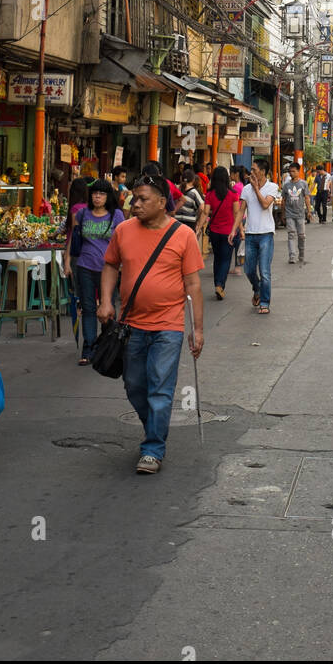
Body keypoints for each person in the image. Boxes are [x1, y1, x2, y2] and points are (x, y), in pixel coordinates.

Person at [99, 174, 204, 475]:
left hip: (168, 326)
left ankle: (153, 448)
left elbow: (193, 285)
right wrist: (105, 301)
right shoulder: (123, 231)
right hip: (131, 324)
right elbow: (110, 265)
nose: (136, 204)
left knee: (160, 387)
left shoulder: (182, 235)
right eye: (134, 197)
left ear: (162, 202)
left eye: (143, 199)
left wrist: (197, 330)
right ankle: (153, 429)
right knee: (134, 386)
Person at [68, 180, 124, 365]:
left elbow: (124, 241)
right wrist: (67, 261)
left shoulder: (116, 216)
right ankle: (88, 348)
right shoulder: (83, 214)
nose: (97, 197)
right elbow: (73, 239)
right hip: (84, 266)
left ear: (108, 197)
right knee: (89, 308)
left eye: (101, 194)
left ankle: (108, 346)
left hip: (109, 269)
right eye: (94, 193)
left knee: (108, 309)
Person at [231, 159, 279, 314]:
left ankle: (265, 302)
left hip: (266, 234)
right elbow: (241, 210)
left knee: (265, 271)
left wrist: (256, 188)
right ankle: (257, 289)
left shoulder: (273, 187)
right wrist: (234, 230)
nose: (251, 172)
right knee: (249, 270)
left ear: (263, 171)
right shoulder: (245, 189)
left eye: (254, 169)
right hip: (250, 234)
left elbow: (265, 205)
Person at [196, 166, 237, 300]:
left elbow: (206, 212)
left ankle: (217, 284)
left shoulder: (210, 194)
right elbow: (237, 213)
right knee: (226, 259)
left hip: (214, 231)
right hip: (228, 232)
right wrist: (241, 230)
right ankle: (220, 285)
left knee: (217, 259)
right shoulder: (233, 194)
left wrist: (198, 227)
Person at [281, 163, 311, 265]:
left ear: (298, 171)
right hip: (289, 214)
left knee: (301, 235)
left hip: (300, 214)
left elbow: (307, 198)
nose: (291, 173)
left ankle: (301, 254)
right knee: (291, 234)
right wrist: (283, 213)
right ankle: (292, 256)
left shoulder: (303, 184)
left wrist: (309, 211)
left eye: (294, 171)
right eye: (290, 171)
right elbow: (283, 200)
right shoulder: (286, 185)